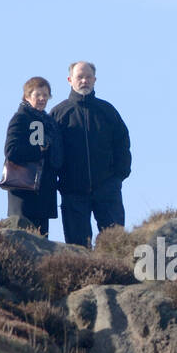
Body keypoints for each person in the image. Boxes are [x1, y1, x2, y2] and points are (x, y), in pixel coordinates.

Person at [49, 61, 131, 247]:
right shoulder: (58, 114)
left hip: (107, 189)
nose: (84, 81)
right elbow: (51, 153)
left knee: (116, 245)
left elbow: (122, 143)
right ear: (70, 80)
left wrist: (118, 176)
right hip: (73, 192)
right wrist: (60, 181)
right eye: (79, 77)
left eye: (88, 77)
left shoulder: (107, 111)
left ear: (95, 80)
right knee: (78, 248)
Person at [3, 76, 64, 237]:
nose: (42, 99)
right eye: (38, 95)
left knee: (43, 239)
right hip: (24, 192)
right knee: (22, 239)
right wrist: (39, 150)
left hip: (44, 192)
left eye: (46, 95)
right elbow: (11, 150)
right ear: (27, 96)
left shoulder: (50, 122)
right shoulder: (20, 118)